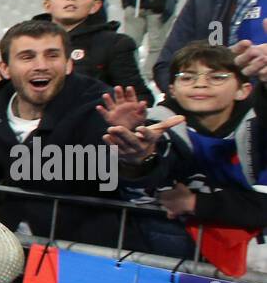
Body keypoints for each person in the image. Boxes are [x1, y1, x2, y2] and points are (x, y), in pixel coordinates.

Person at [0, 20, 131, 246]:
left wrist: (138, 152)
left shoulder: (101, 104)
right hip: (15, 239)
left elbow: (100, 172)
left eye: (52, 55)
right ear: (4, 68)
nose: (41, 65)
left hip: (86, 246)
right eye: (27, 57)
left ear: (68, 64)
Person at [113, 42, 267, 245]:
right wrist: (140, 160)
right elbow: (159, 170)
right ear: (172, 90)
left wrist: (196, 203)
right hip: (165, 244)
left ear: (243, 90)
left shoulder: (258, 125)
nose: (200, 84)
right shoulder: (157, 124)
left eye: (216, 77)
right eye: (187, 77)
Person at [36, 0, 152, 103]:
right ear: (47, 5)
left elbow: (139, 97)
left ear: (95, 6)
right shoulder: (24, 41)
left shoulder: (115, 43)